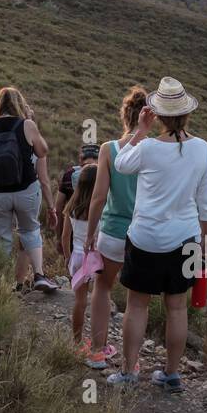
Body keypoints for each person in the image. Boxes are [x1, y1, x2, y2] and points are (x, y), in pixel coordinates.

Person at [106, 77, 207, 392]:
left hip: (145, 238)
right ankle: (171, 374)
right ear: (187, 113)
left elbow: (121, 164)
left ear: (158, 115)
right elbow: (206, 206)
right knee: (177, 307)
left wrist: (140, 130)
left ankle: (128, 373)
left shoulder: (149, 147)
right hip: (186, 239)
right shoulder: (202, 149)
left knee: (137, 305)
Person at [0, 86, 57, 293]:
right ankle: (39, 276)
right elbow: (43, 151)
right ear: (19, 104)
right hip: (26, 189)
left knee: (0, 236)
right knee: (30, 230)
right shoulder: (26, 124)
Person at [82, 86, 148, 369]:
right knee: (137, 301)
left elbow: (98, 197)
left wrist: (89, 233)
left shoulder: (108, 149)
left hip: (111, 231)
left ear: (124, 115)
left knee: (102, 287)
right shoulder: (154, 148)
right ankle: (130, 365)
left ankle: (97, 352)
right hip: (143, 235)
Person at [59, 164, 99, 351]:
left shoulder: (72, 206)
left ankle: (77, 341)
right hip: (96, 259)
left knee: (80, 302)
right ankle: (100, 343)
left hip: (77, 257)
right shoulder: (100, 207)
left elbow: (65, 235)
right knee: (100, 300)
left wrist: (67, 257)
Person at [54, 144, 100, 237]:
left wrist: (59, 236)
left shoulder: (69, 174)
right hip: (99, 231)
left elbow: (58, 207)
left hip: (73, 230)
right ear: (100, 158)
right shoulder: (105, 173)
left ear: (80, 159)